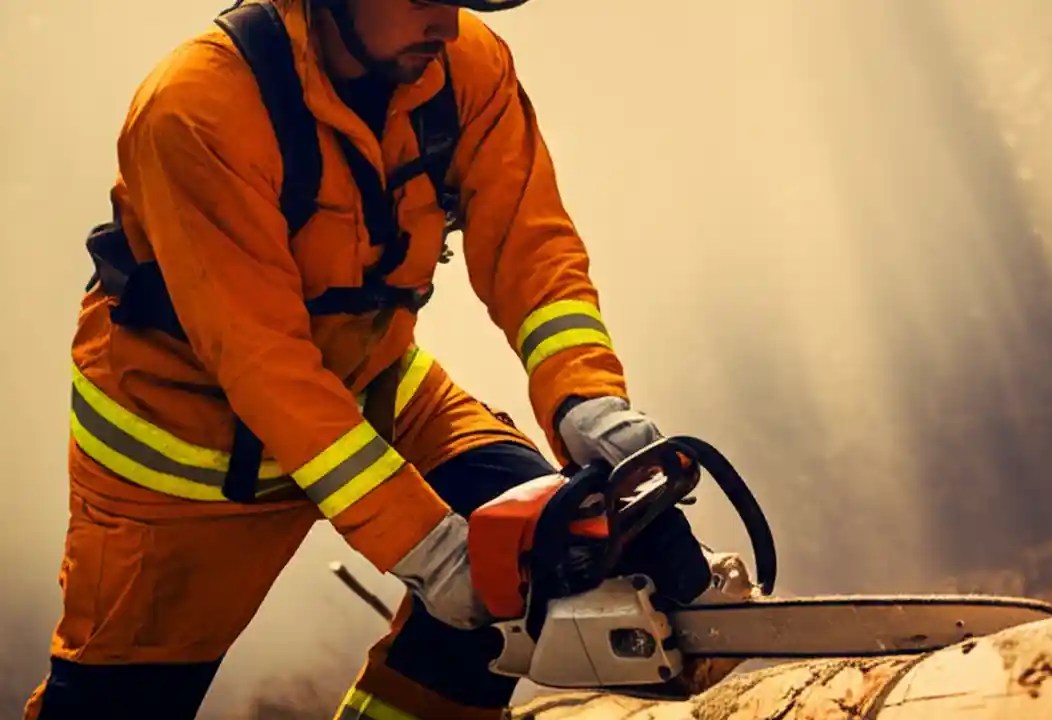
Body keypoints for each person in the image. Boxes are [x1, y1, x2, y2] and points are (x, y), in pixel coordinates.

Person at [25, 0, 747, 717]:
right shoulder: (197, 109)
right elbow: (264, 366)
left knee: (526, 561)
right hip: (182, 461)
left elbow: (532, 247)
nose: (444, 19)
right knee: (118, 704)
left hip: (371, 385)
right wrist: (428, 548)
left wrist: (585, 397)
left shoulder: (462, 66)